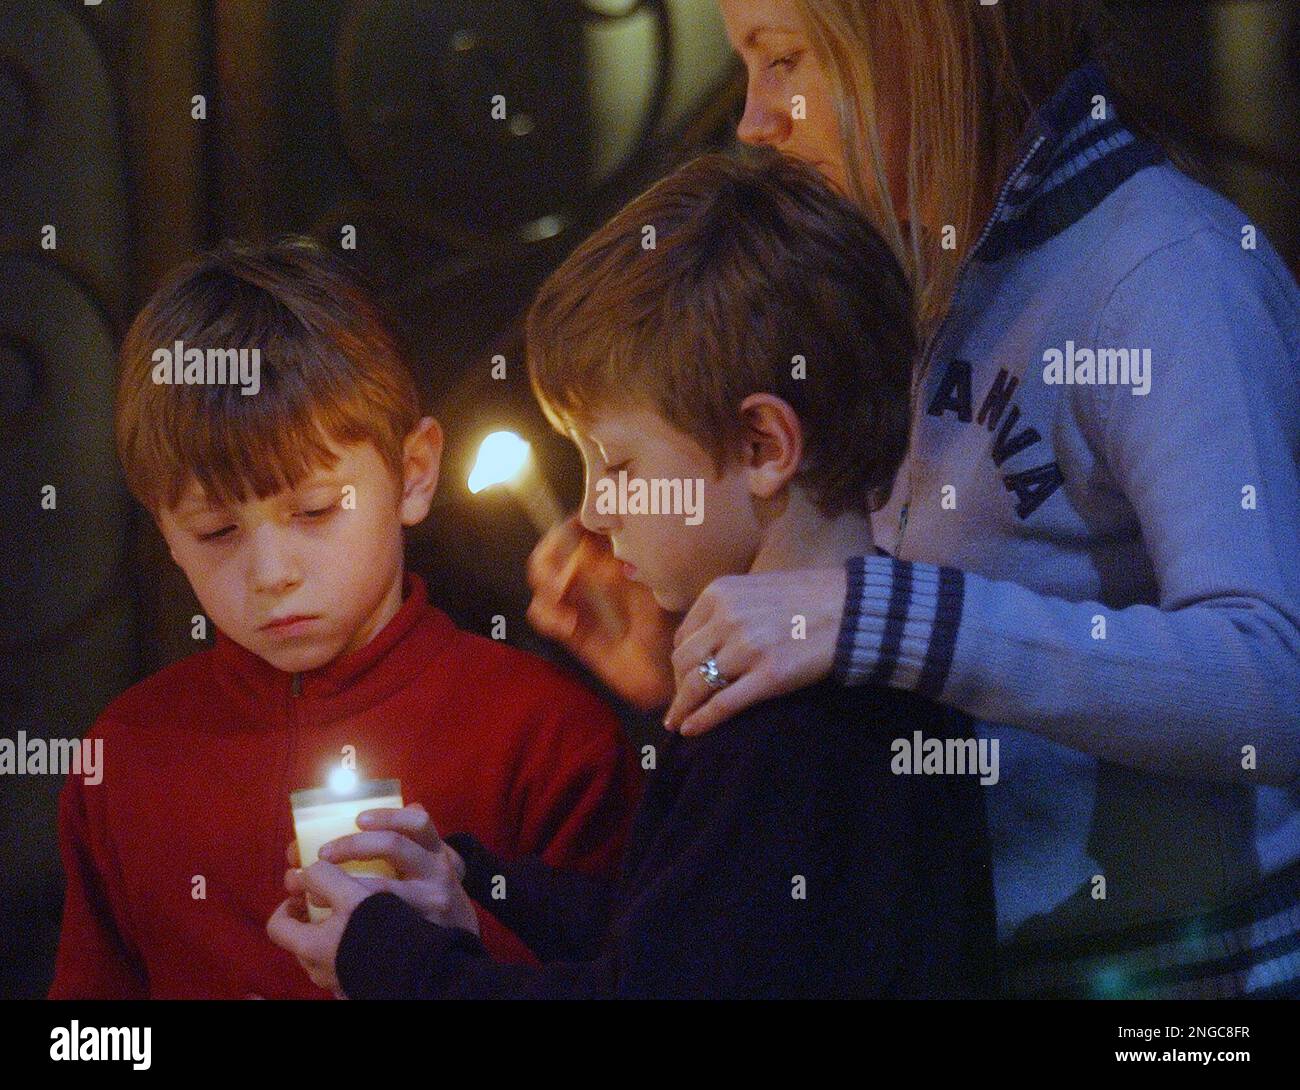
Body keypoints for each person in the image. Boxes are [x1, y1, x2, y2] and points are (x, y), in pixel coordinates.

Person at [526, 0, 1300, 998]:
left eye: (783, 59)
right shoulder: (905, 262)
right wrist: (708, 657)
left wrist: (879, 618)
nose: (754, 121)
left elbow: (1271, 679)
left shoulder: (1161, 271)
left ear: (911, 38)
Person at [266, 151, 996, 1000]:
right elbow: (678, 935)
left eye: (617, 464)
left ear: (763, 448)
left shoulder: (797, 732)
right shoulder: (835, 678)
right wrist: (469, 880)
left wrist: (394, 967)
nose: (596, 512)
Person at [49, 237, 640, 999]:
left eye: (316, 510)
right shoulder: (127, 755)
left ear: (413, 474)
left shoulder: (547, 739)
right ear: (163, 531)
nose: (272, 574)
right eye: (217, 531)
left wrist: (451, 941)